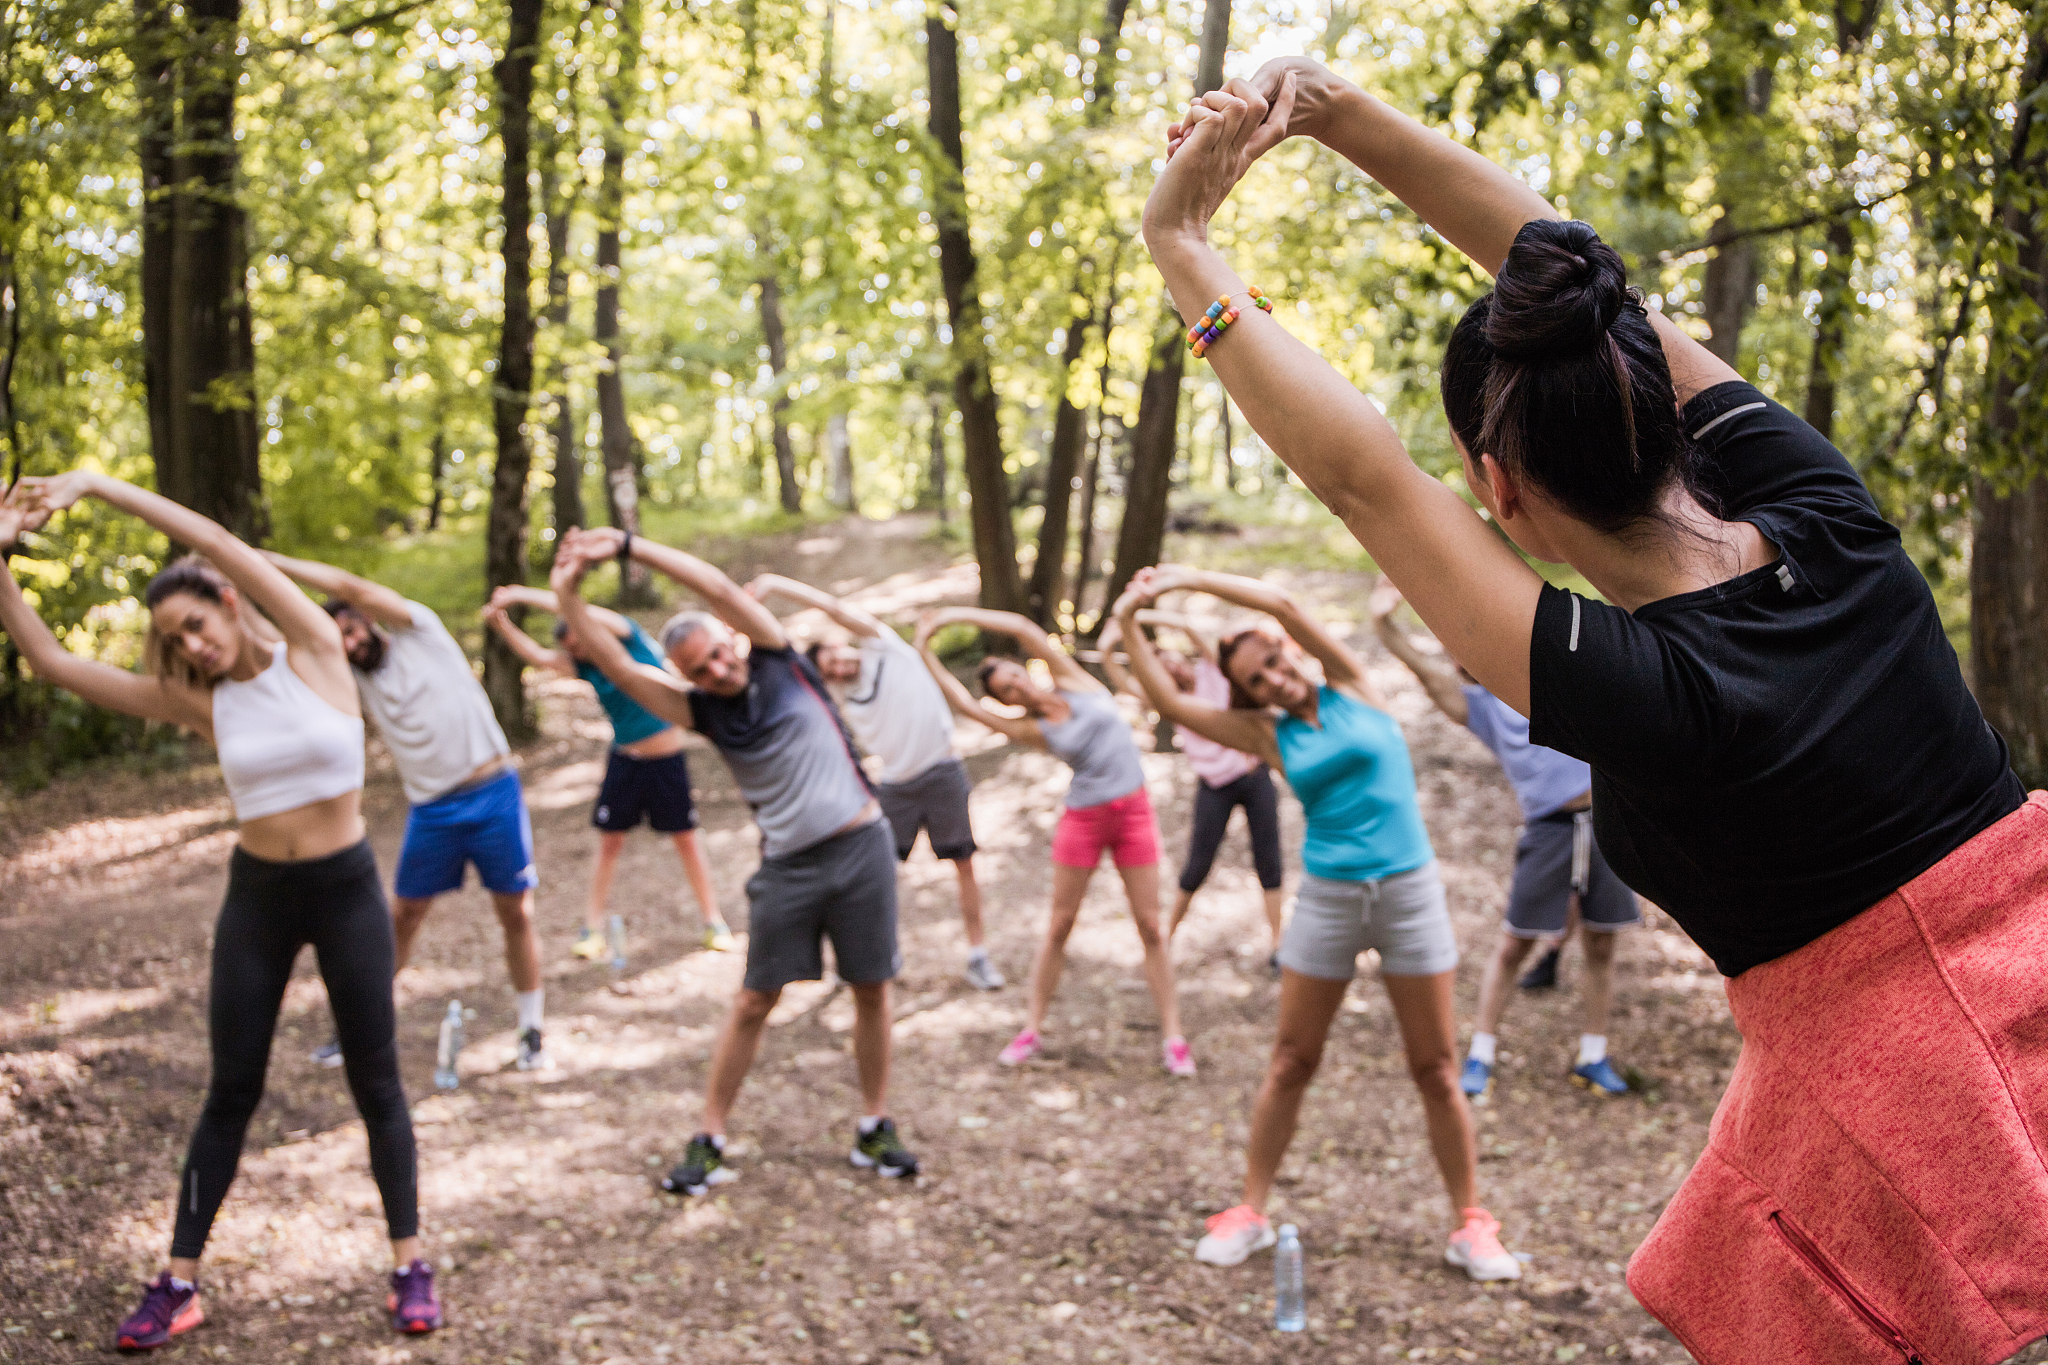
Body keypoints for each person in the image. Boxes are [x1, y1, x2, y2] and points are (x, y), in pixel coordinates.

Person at [1144, 62, 2043, 1359]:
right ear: (1657, 406)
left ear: (1498, 490)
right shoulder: (1827, 516)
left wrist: (1181, 243)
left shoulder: (1645, 693)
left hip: (1923, 1110)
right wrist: (1335, 112)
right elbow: (1574, 269)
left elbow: (1368, 482)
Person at [0, 476, 441, 1349]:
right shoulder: (197, 701)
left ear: (230, 602)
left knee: (376, 1081)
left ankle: (410, 1263)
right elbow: (52, 660)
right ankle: (179, 1280)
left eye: (195, 623)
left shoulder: (314, 647)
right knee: (230, 1089)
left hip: (347, 886)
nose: (190, 646)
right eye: (172, 639)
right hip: (259, 899)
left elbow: (209, 532)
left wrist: (95, 485)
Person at [1111, 565, 1521, 1283]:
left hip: (1409, 893)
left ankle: (1470, 1223)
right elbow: (1166, 697)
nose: (1273, 679)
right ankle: (1250, 1210)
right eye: (1258, 680)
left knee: (1435, 1067)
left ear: (1288, 651)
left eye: (1273, 661)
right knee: (1292, 1060)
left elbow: (1282, 601)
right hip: (1328, 898)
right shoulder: (1266, 735)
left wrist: (1185, 578)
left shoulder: (1353, 682)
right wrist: (1126, 620)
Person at [547, 525, 918, 1194]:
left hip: (861, 843)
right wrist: (567, 600)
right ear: (687, 678)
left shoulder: (781, 658)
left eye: (717, 654)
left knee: (870, 987)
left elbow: (715, 586)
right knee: (753, 998)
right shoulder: (702, 713)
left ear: (731, 639)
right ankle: (711, 1134)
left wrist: (631, 546)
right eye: (699, 670)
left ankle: (874, 1123)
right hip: (788, 867)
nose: (717, 670)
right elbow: (623, 668)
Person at [264, 553, 550, 1072]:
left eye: (351, 628)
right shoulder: (352, 677)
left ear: (366, 619)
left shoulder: (422, 632)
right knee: (402, 917)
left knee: (515, 910)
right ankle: (356, 1028)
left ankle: (531, 1028)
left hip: (493, 793)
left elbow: (350, 580)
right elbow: (285, 640)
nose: (351, 644)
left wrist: (263, 560)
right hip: (431, 809)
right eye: (341, 640)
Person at [1369, 581, 1636, 1098]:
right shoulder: (1484, 709)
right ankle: (1481, 1053)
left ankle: (1593, 1054)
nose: (1459, 651)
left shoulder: (1548, 677)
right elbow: (1424, 672)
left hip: (1608, 820)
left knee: (1601, 941)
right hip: (1550, 832)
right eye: (1453, 647)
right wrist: (1384, 625)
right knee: (1516, 944)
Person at [913, 606, 1193, 1076]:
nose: (1015, 685)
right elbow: (965, 705)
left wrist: (949, 617)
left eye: (1014, 675)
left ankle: (1174, 1037)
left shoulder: (1074, 681)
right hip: (1084, 820)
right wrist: (924, 649)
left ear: (1025, 670)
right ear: (1005, 701)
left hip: (1134, 814)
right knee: (1060, 925)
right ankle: (1030, 1031)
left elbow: (1023, 627)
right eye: (1005, 689)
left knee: (1150, 927)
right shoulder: (1030, 728)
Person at [745, 573, 1001, 990]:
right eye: (829, 670)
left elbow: (833, 606)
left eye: (835, 656)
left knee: (964, 863)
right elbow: (780, 665)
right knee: (872, 873)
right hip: (896, 787)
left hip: (942, 772)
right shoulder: (840, 699)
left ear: (840, 644)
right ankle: (865, 960)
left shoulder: (885, 648)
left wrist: (775, 585)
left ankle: (978, 954)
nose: (840, 666)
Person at [481, 584, 733, 960]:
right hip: (626, 762)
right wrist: (501, 625)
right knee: (610, 843)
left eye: (579, 641)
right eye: (572, 650)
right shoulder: (584, 666)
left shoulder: (629, 639)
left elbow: (573, 605)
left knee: (686, 839)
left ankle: (714, 921)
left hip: (667, 763)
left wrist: (519, 594)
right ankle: (592, 928)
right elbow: (534, 654)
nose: (578, 652)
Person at [1099, 610, 1286, 964]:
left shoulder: (1213, 672)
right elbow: (1122, 681)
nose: (1171, 667)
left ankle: (1279, 946)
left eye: (1169, 658)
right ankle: (1166, 940)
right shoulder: (1170, 702)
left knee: (1269, 861)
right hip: (1216, 786)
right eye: (1161, 669)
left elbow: (1191, 628)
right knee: (1197, 864)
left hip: (1253, 777)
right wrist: (1110, 645)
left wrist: (1135, 614)